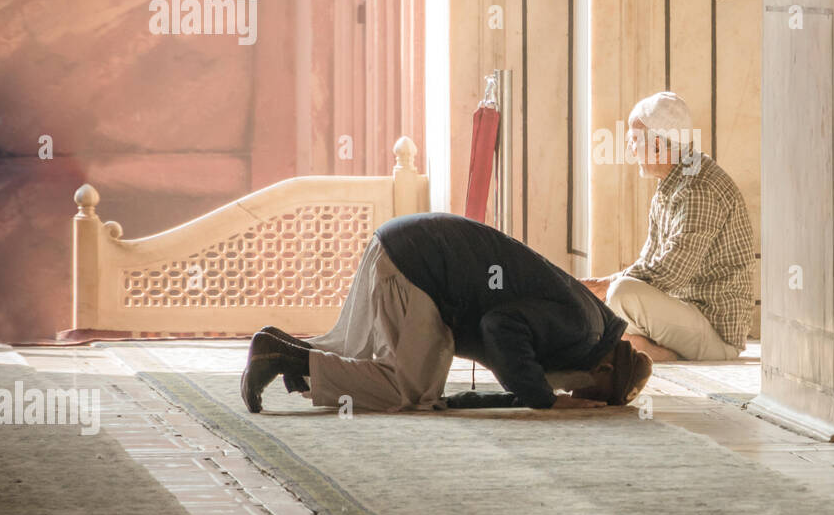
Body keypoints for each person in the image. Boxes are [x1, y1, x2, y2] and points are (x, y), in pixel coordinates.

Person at [240, 213, 652, 414]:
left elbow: (511, 381)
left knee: (363, 362)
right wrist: (548, 403)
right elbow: (500, 327)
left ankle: (286, 350)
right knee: (409, 393)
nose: (575, 397)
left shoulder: (589, 324)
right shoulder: (582, 332)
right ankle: (282, 357)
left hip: (404, 248)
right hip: (420, 268)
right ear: (603, 372)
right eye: (587, 396)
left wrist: (530, 396)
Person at [582, 91, 756, 362]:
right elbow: (648, 261)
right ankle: (657, 352)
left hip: (715, 331)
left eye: (634, 141)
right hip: (685, 317)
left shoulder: (700, 188)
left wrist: (605, 285)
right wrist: (603, 288)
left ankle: (656, 351)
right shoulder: (671, 184)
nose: (630, 150)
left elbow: (670, 272)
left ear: (658, 147)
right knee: (606, 319)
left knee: (621, 294)